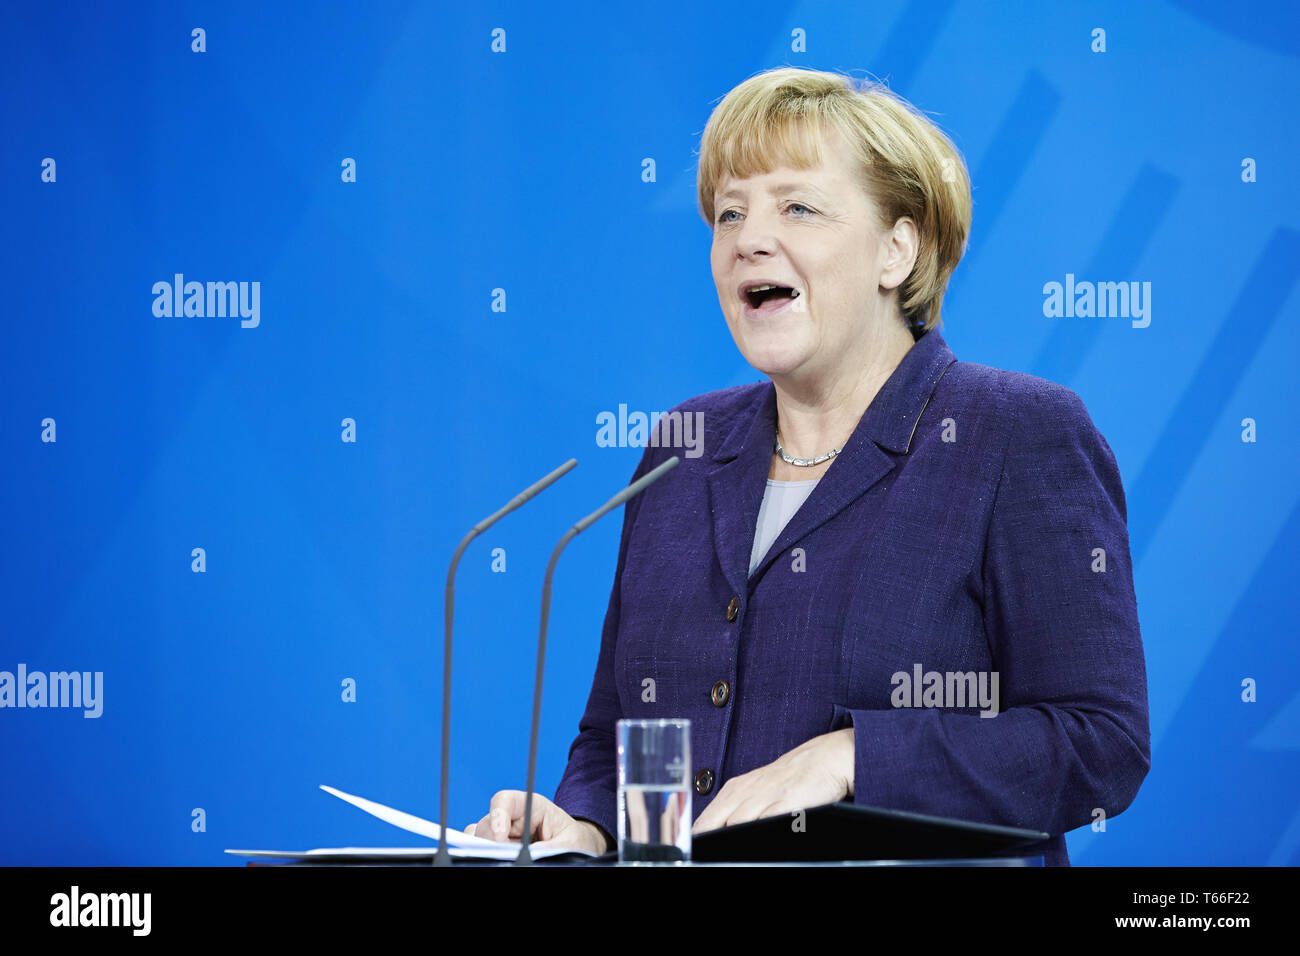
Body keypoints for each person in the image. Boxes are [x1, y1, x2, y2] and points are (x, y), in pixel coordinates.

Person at [466, 67, 1150, 866]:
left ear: (900, 247)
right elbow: (619, 732)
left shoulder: (1016, 433)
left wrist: (852, 758)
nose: (749, 238)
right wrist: (587, 825)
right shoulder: (682, 446)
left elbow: (1101, 745)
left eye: (797, 206)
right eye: (729, 213)